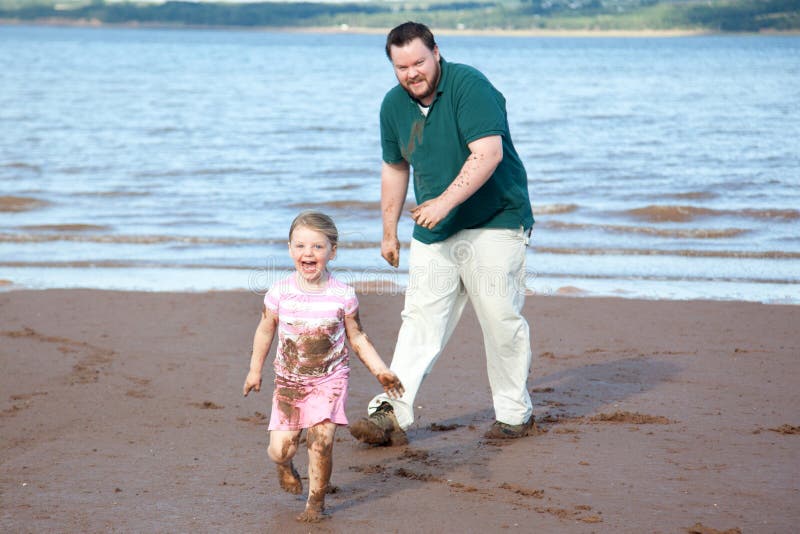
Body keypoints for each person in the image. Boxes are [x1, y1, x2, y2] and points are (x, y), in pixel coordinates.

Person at [348, 21, 536, 446]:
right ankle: (390, 414)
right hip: (435, 232)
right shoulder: (392, 106)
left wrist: (444, 203)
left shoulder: (470, 84)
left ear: (436, 52)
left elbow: (488, 153)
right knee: (419, 321)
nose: (412, 73)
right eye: (401, 67)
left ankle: (514, 415)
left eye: (418, 61)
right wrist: (388, 232)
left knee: (499, 318)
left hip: (497, 219)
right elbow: (395, 167)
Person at [243, 211, 404, 522]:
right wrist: (254, 370)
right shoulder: (279, 292)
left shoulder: (343, 294)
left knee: (321, 442)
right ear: (290, 249)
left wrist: (381, 370)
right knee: (281, 449)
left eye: (318, 246)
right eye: (301, 246)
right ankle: (284, 466)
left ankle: (315, 504)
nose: (309, 253)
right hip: (290, 381)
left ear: (333, 250)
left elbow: (357, 337)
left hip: (330, 379)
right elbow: (265, 330)